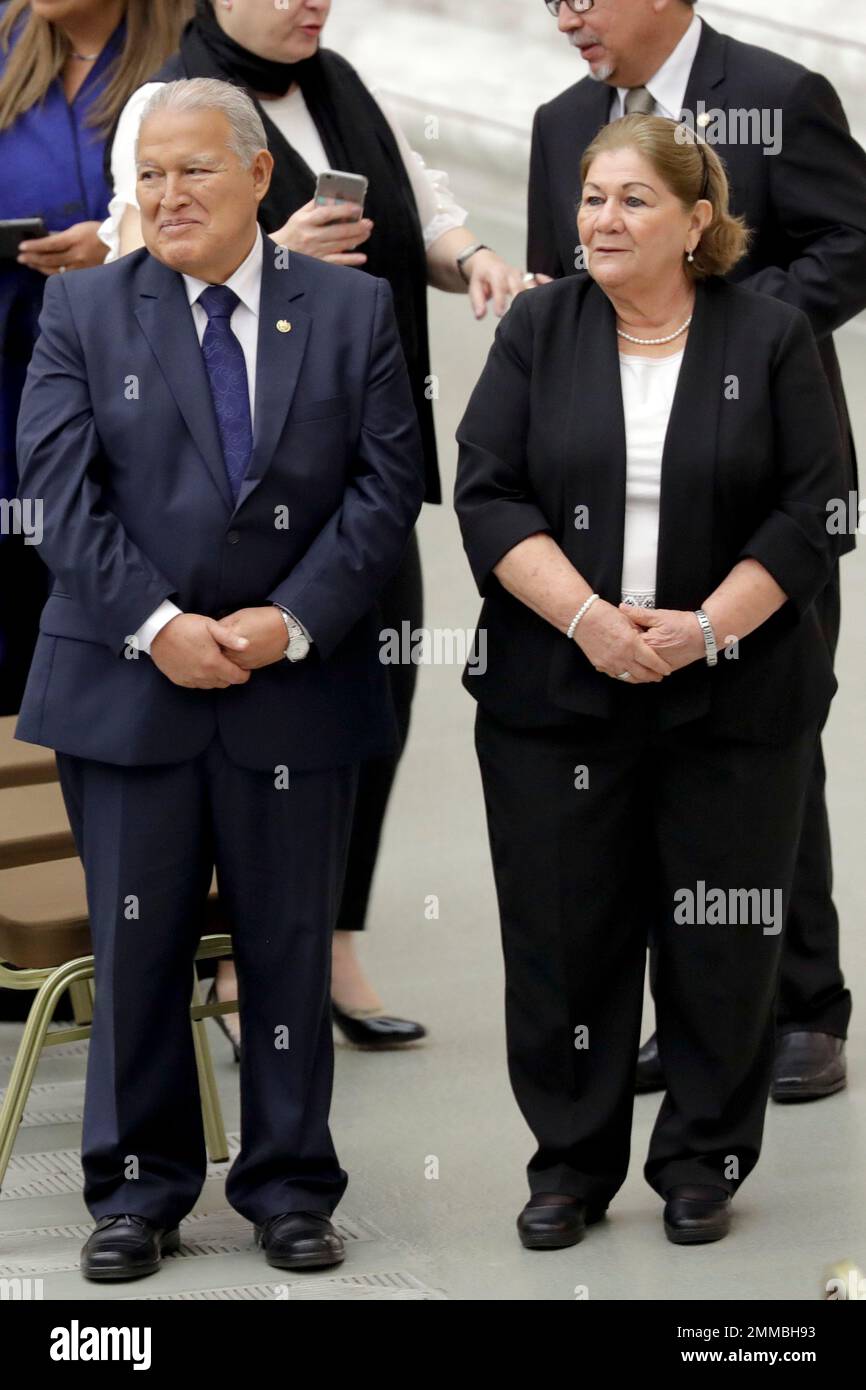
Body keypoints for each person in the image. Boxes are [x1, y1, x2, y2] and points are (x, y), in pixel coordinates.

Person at [15, 77, 424, 1280]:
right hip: (127, 685)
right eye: (147, 173)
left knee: (287, 946)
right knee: (138, 944)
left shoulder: (351, 310)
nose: (164, 193)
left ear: (258, 177)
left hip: (293, 684)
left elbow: (385, 486)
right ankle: (138, 1192)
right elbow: (58, 494)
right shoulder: (84, 309)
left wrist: (285, 622)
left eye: (191, 170)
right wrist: (157, 623)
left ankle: (290, 1186)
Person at [100, 0, 530, 1053]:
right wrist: (267, 247)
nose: (311, 2)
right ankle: (246, 955)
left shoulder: (345, 83)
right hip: (241, 459)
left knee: (370, 697)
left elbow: (422, 209)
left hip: (364, 448)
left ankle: (334, 939)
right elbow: (129, 258)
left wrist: (469, 256)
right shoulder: (171, 99)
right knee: (260, 712)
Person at [455, 114, 845, 1247]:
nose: (601, 221)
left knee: (716, 937)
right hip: (554, 688)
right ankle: (568, 1164)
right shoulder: (539, 326)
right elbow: (487, 493)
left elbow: (813, 510)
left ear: (694, 221)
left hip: (730, 692)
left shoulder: (768, 336)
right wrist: (588, 620)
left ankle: (700, 1159)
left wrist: (703, 630)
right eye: (590, 199)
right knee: (563, 934)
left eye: (631, 200)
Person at [527, 0, 866, 1102]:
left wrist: (721, 319)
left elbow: (851, 238)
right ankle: (692, 1017)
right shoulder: (559, 121)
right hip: (611, 501)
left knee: (768, 741)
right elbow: (566, 286)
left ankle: (801, 1003)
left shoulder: (772, 93)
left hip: (761, 493)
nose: (567, 14)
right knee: (644, 758)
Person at [0, 0, 192, 719]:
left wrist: (114, 243)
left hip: (129, 375)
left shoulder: (187, 56)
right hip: (9, 356)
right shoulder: (9, 39)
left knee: (99, 572)